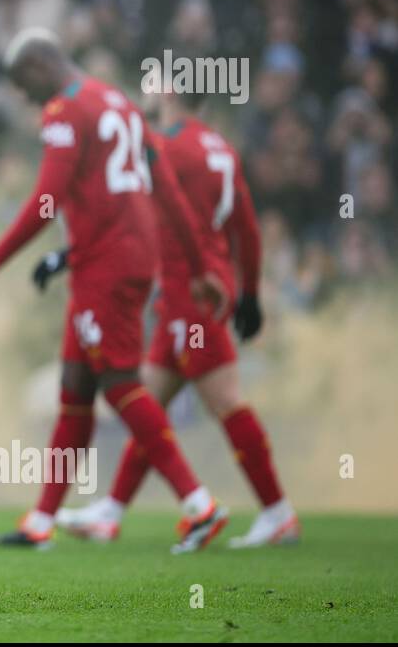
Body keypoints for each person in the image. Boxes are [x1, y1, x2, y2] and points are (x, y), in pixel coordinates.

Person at [0, 28, 229, 553]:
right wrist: (198, 267)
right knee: (76, 388)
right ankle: (41, 522)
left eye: (23, 84)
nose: (25, 97)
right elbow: (167, 193)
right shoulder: (119, 103)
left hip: (106, 267)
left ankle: (199, 505)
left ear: (40, 65)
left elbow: (47, 199)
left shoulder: (66, 112)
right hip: (115, 261)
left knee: (119, 384)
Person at [48, 84, 298, 547]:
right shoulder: (219, 147)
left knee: (224, 399)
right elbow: (246, 226)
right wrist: (249, 292)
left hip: (192, 297)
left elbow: (129, 207)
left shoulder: (168, 147)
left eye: (154, 85)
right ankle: (113, 510)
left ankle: (277, 511)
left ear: (171, 93)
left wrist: (75, 251)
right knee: (148, 405)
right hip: (190, 296)